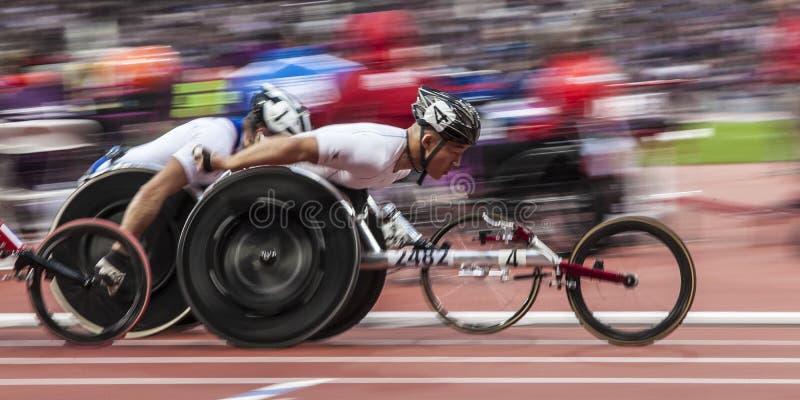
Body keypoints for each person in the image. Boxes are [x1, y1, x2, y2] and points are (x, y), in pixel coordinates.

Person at [95, 83, 311, 294]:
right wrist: (117, 257)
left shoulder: (240, 153)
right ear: (261, 135)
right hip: (109, 188)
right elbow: (153, 191)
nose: (284, 160)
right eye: (283, 150)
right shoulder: (217, 139)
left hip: (155, 215)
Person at [196, 86, 481, 195]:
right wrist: (226, 162)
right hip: (247, 189)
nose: (457, 163)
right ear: (429, 141)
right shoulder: (373, 150)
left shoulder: (401, 167)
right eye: (456, 151)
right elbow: (296, 146)